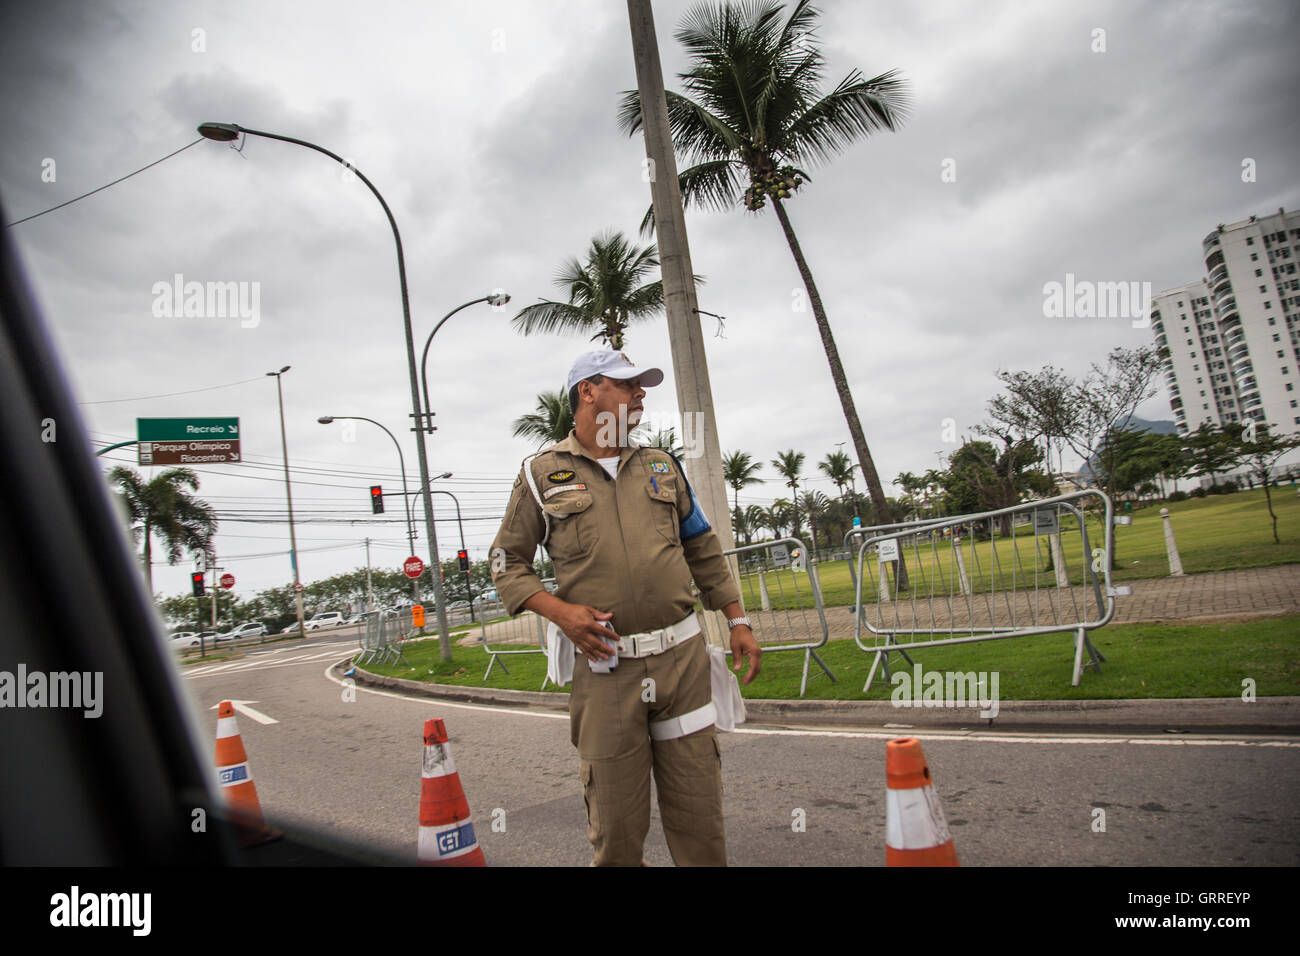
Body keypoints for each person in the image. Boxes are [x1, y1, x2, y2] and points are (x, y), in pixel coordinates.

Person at [489, 349, 761, 866]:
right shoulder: (540, 474)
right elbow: (506, 562)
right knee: (616, 831)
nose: (639, 394)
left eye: (641, 386)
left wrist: (738, 620)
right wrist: (559, 612)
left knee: (701, 821)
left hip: (682, 664)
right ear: (588, 392)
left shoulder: (662, 465)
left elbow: (701, 547)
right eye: (627, 384)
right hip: (606, 670)